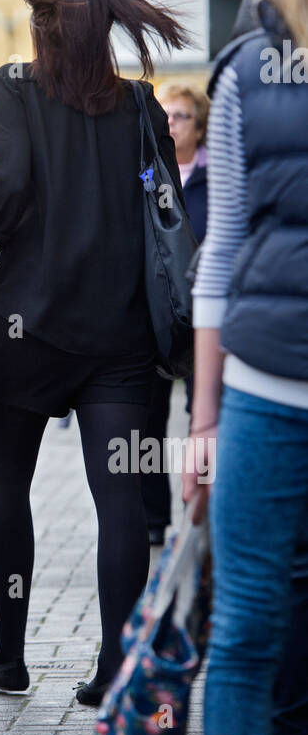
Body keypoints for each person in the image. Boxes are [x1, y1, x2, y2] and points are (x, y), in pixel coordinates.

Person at [0, 0, 189, 705]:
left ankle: (10, 655)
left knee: (8, 484)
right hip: (122, 338)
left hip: (29, 328)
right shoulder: (144, 109)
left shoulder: (15, 88)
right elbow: (169, 209)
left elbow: (10, 184)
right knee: (120, 503)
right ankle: (116, 666)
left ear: (48, 22)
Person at [184, 0, 308, 735]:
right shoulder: (247, 70)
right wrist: (204, 420)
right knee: (246, 622)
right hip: (266, 391)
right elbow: (219, 249)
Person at [140, 81, 209, 544]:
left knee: (203, 412)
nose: (170, 123)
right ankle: (152, 522)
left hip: (207, 313)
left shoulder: (219, 174)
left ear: (199, 126)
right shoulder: (146, 176)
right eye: (163, 113)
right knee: (147, 418)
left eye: (180, 115)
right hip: (158, 312)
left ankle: (199, 511)